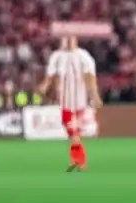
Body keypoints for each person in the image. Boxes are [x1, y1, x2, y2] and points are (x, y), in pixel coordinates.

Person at [39, 36, 101, 172]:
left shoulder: (83, 56)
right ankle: (77, 161)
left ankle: (80, 161)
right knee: (72, 133)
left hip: (79, 102)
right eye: (65, 37)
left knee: (74, 133)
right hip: (65, 102)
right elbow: (50, 75)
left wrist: (94, 95)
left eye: (71, 37)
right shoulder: (57, 56)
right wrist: (44, 86)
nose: (67, 40)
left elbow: (90, 77)